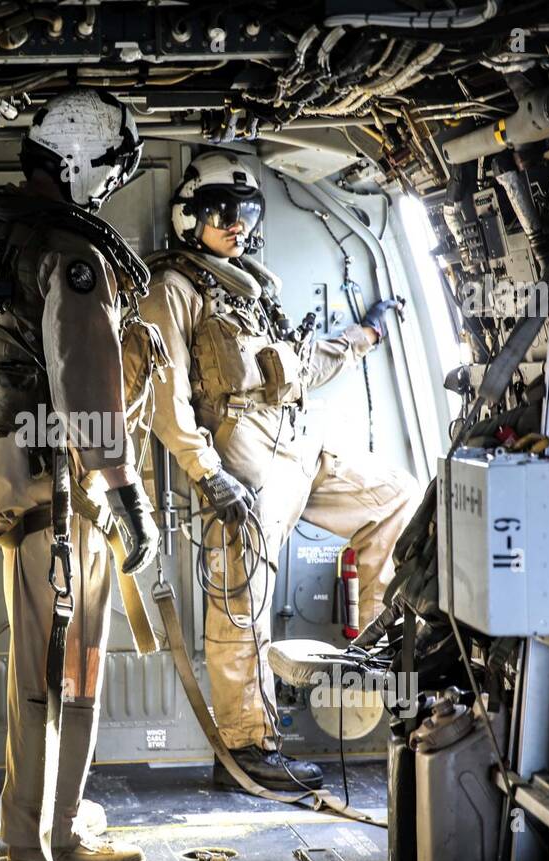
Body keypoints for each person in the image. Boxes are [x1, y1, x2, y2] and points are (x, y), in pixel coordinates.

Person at [138, 150, 419, 791]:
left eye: (247, 213)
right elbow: (165, 396)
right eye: (223, 213)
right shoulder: (172, 291)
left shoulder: (254, 289)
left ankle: (373, 653)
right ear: (191, 217)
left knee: (397, 497)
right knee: (241, 603)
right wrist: (207, 473)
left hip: (296, 447)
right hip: (240, 463)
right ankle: (246, 750)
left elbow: (295, 367)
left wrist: (365, 336)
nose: (237, 225)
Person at [0, 89, 160, 861]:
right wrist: (127, 500)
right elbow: (89, 394)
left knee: (37, 660)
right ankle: (52, 837)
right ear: (78, 165)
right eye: (107, 172)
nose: (106, 188)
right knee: (73, 665)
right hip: (58, 491)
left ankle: (28, 822)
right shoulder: (72, 253)